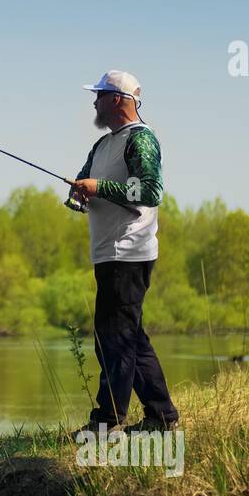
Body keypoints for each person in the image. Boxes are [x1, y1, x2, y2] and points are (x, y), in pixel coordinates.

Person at [69, 71, 179, 435]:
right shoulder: (102, 146)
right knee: (128, 337)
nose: (94, 102)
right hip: (107, 255)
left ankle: (108, 420)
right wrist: (81, 195)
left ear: (117, 99)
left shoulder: (141, 140)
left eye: (99, 95)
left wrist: (98, 186)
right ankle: (161, 415)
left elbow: (150, 191)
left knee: (113, 340)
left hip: (129, 254)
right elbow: (84, 187)